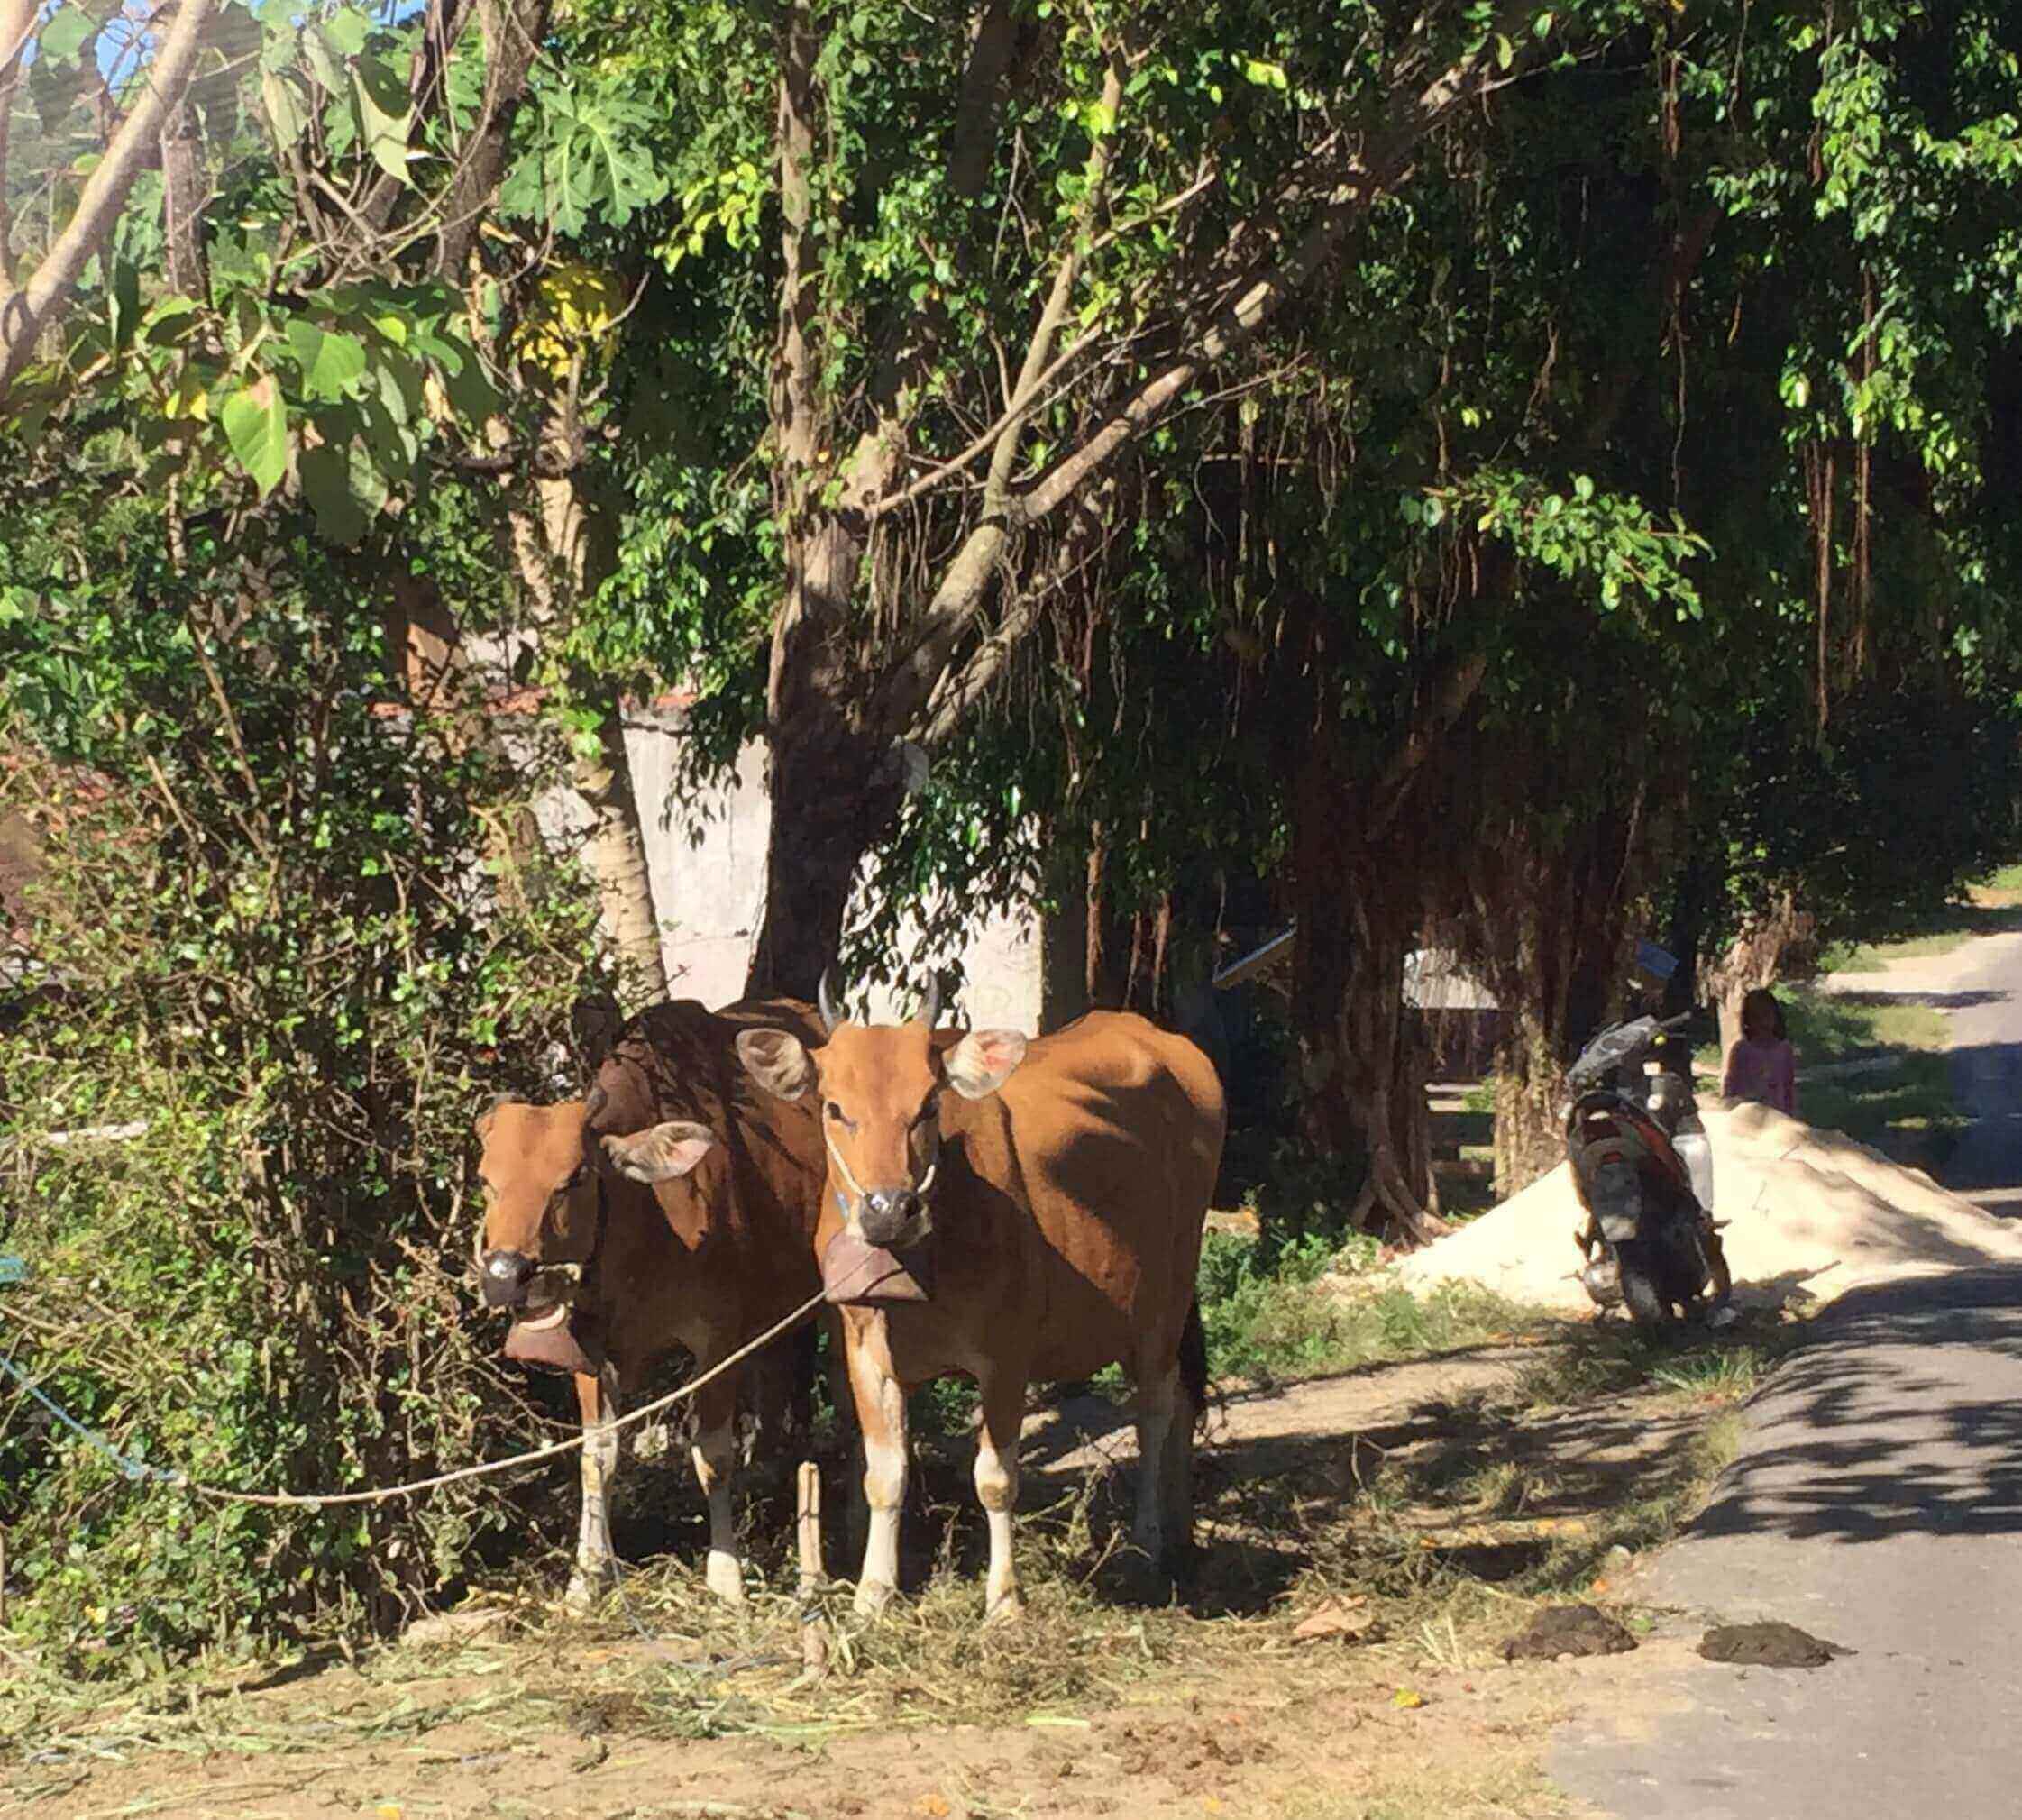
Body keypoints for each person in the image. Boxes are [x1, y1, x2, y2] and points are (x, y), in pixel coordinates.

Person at [1722, 987, 1798, 1115]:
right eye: (1756, 1017)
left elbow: (1789, 1088)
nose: (1763, 1022)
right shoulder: (1741, 1050)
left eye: (1766, 1015)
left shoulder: (1784, 1050)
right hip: (1748, 1117)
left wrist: (1793, 1116)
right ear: (1748, 1021)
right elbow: (1731, 1087)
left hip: (1778, 1117)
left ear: (1775, 1017)